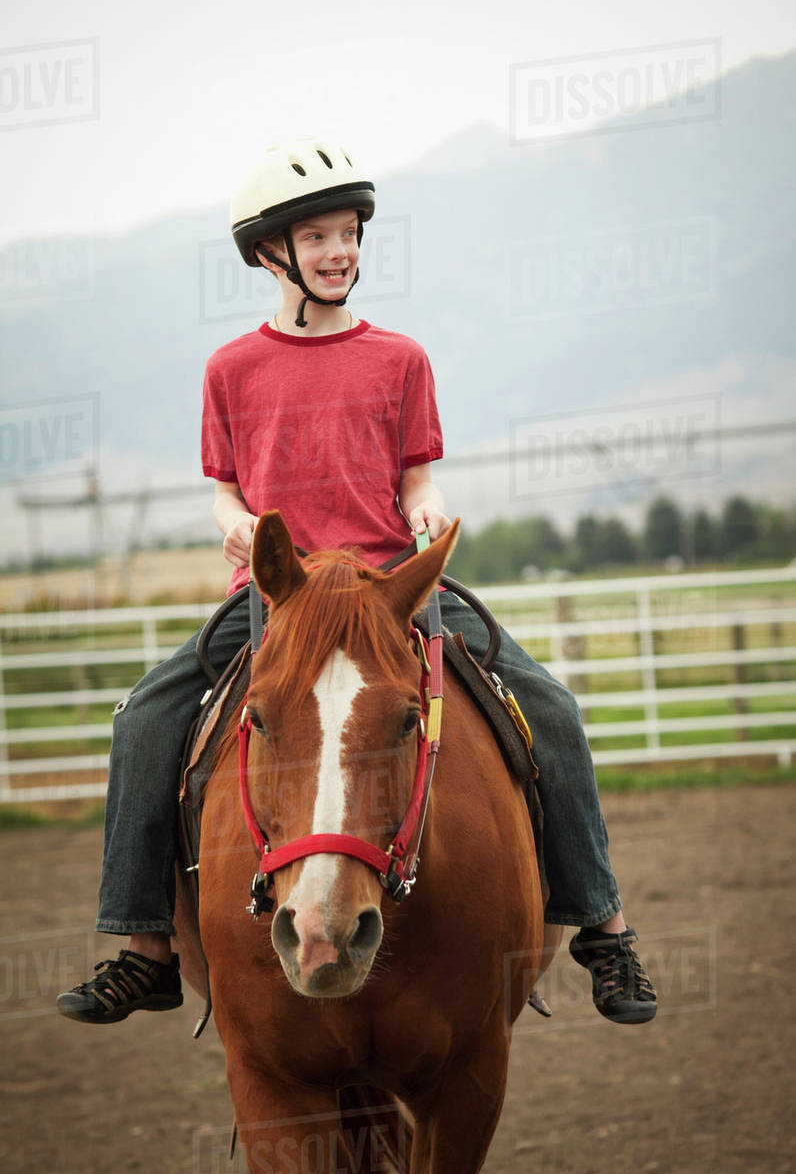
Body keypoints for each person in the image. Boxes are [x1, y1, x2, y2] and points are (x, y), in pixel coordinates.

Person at [57, 138, 656, 1027]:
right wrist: (239, 534)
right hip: (280, 597)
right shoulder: (231, 370)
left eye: (349, 234)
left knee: (552, 709)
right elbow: (226, 490)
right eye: (318, 237)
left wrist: (426, 517)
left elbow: (417, 478)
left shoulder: (401, 359)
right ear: (271, 252)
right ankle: (145, 945)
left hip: (387, 586)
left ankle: (602, 929)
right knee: (146, 715)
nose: (340, 252)